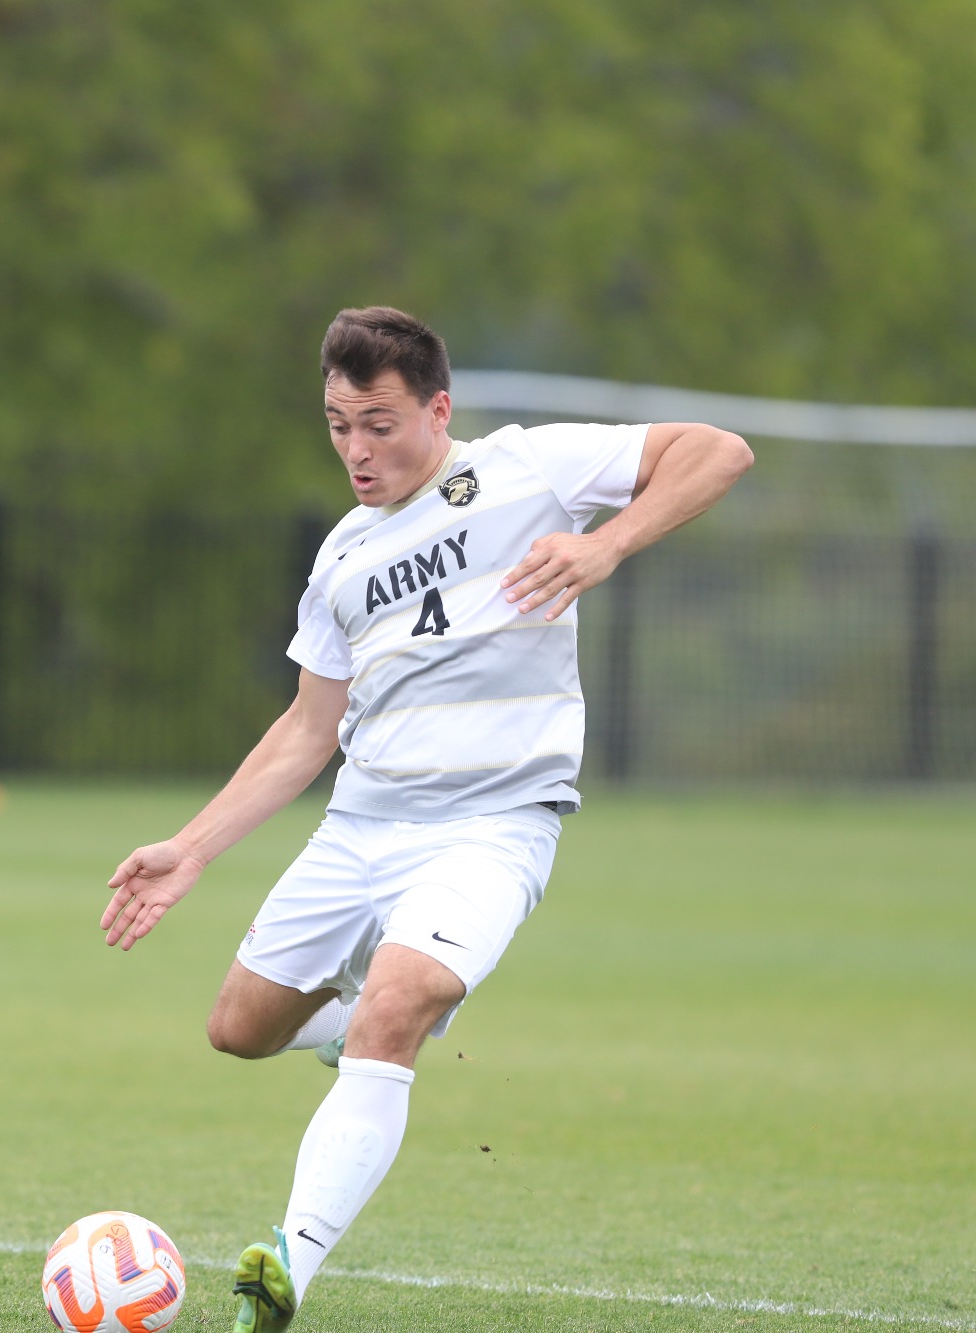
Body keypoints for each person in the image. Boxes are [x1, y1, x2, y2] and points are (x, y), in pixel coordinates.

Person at [98, 307, 753, 1332]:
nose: (355, 450)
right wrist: (190, 847)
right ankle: (356, 1026)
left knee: (395, 1005)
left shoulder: (526, 468)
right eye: (335, 425)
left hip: (489, 825)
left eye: (377, 422)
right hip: (358, 829)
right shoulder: (341, 558)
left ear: (436, 409)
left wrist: (606, 544)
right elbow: (305, 732)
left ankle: (286, 1270)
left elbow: (718, 451)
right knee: (237, 1027)